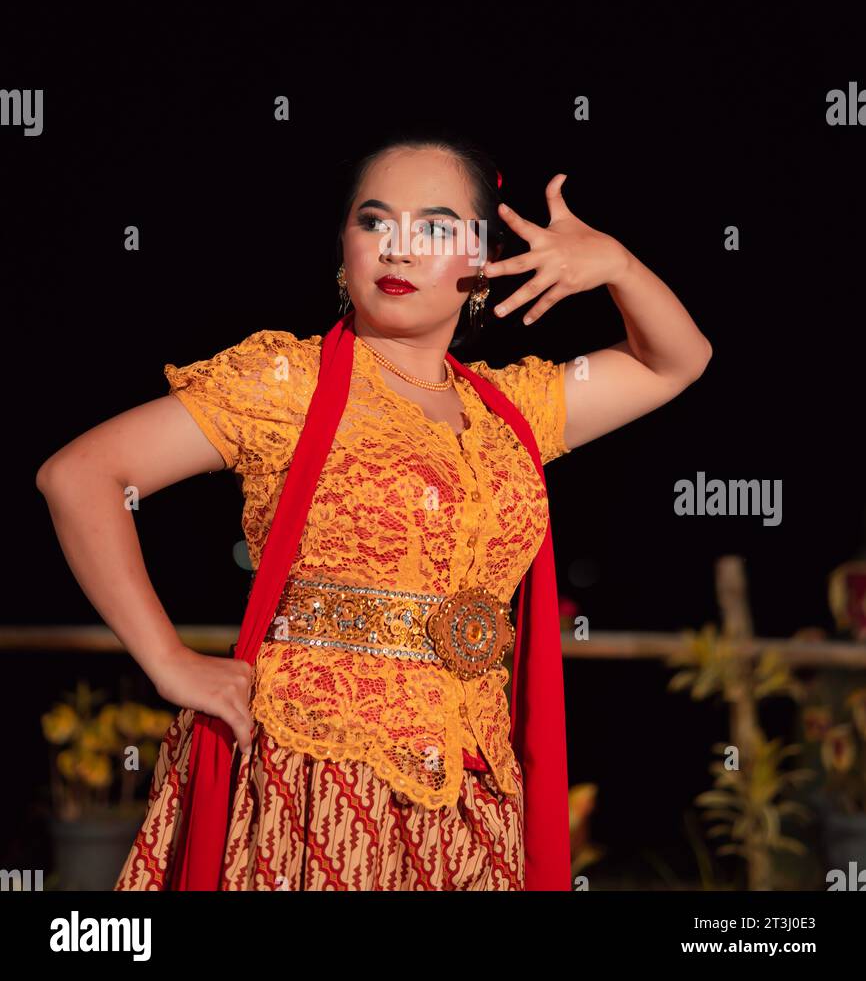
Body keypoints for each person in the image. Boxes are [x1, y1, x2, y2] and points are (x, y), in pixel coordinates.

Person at [35, 132, 712, 891]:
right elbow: (81, 476)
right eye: (374, 222)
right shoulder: (287, 382)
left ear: (483, 261)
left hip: (473, 791)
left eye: (434, 229)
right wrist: (168, 661)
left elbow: (673, 361)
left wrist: (615, 264)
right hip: (316, 779)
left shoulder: (510, 410)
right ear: (343, 248)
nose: (398, 248)